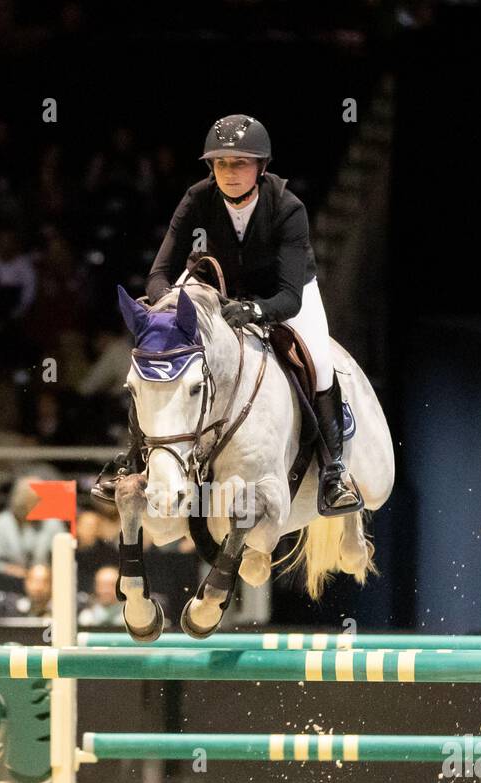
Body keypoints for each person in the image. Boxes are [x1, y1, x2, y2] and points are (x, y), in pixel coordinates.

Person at [92, 114, 360, 515]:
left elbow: (289, 296)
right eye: (220, 164)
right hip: (220, 291)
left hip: (284, 293)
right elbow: (159, 273)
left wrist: (253, 310)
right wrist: (166, 308)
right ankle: (132, 458)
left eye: (240, 163)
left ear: (261, 167)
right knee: (162, 362)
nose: (229, 173)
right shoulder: (197, 198)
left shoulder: (288, 207)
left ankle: (333, 473)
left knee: (320, 364)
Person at [0, 477, 65, 579]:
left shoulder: (53, 523)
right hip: (8, 580)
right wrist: (9, 569)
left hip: (45, 581)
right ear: (21, 502)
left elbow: (63, 558)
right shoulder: (1, 523)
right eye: (37, 500)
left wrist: (46, 573)